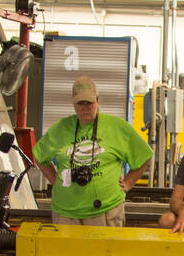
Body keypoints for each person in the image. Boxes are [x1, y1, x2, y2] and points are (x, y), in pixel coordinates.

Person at [32, 75, 152, 226]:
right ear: (73, 104)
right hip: (65, 213)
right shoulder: (61, 128)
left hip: (105, 211)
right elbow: (39, 156)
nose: (85, 107)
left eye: (89, 103)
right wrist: (56, 182)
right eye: (80, 103)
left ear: (97, 101)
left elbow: (144, 155)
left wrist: (128, 182)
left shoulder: (116, 127)